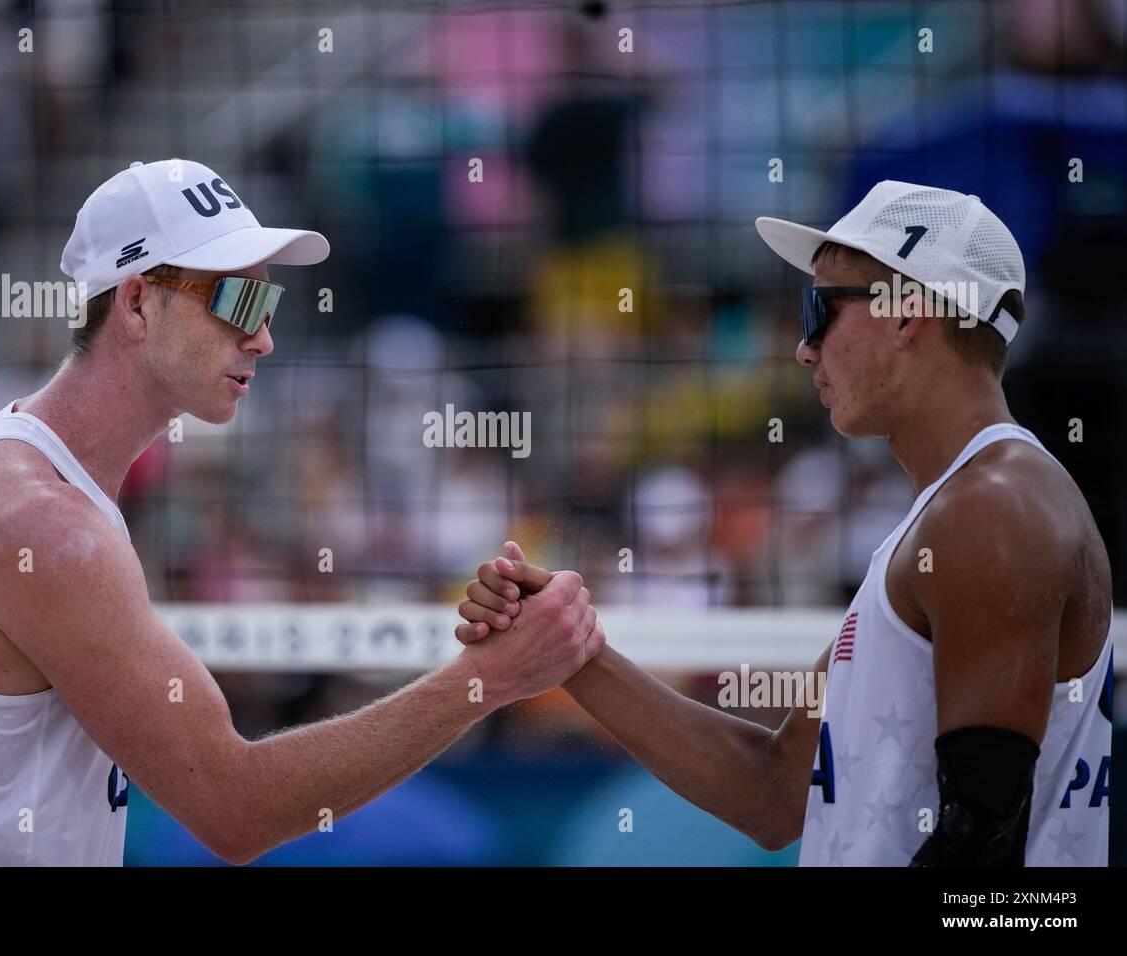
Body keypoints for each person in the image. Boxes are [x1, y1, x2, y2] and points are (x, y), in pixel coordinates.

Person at [0, 158, 605, 866]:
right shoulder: (38, 522)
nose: (265, 336)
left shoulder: (18, 469)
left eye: (267, 300)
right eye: (238, 300)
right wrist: (485, 681)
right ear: (138, 301)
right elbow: (235, 808)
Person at [457, 182, 1113, 866]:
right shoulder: (955, 511)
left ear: (905, 316)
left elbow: (980, 850)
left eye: (819, 309)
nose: (805, 349)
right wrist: (570, 654)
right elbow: (774, 793)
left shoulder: (995, 508)